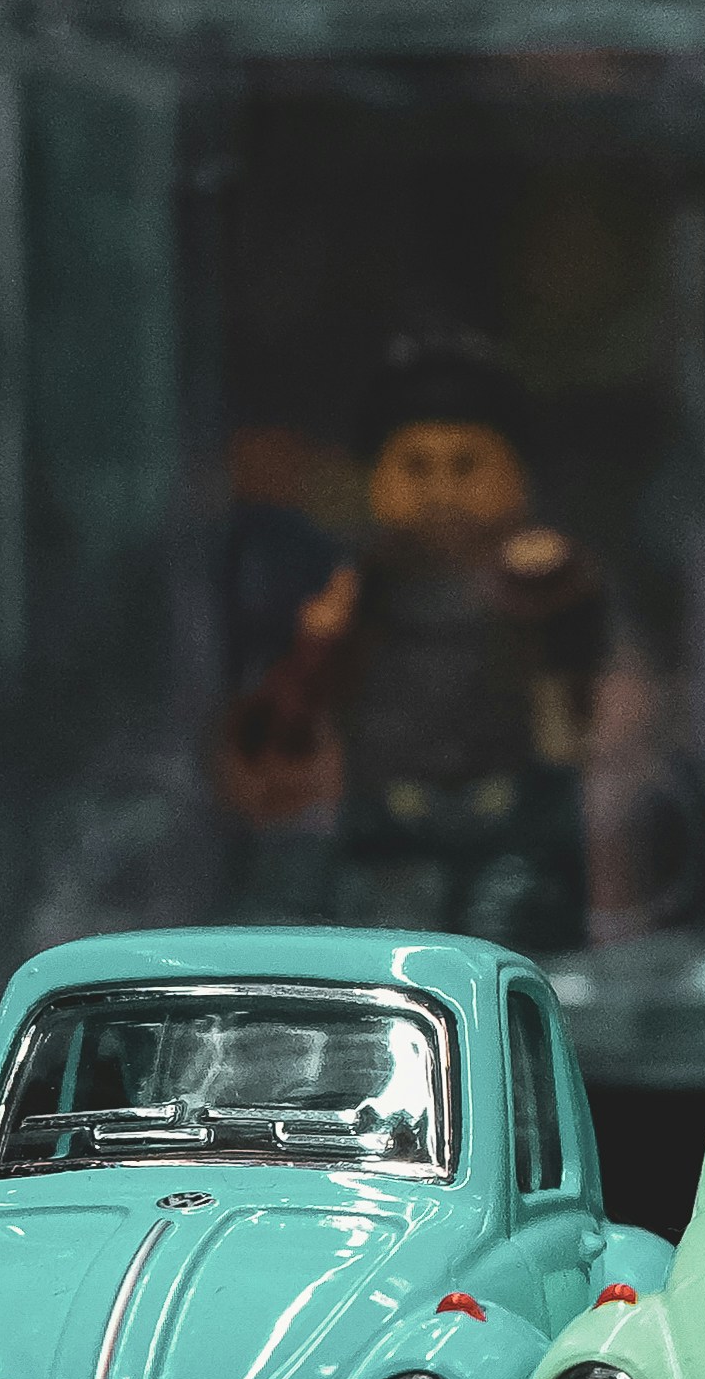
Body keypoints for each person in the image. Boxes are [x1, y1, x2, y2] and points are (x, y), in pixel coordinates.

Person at [220, 336, 618, 949]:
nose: (442, 493)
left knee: (520, 951)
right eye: (416, 467)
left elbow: (586, 687)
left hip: (516, 826)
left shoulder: (538, 586)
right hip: (388, 833)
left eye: (466, 466)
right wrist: (317, 648)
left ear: (516, 477)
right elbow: (281, 728)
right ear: (375, 479)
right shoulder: (353, 597)